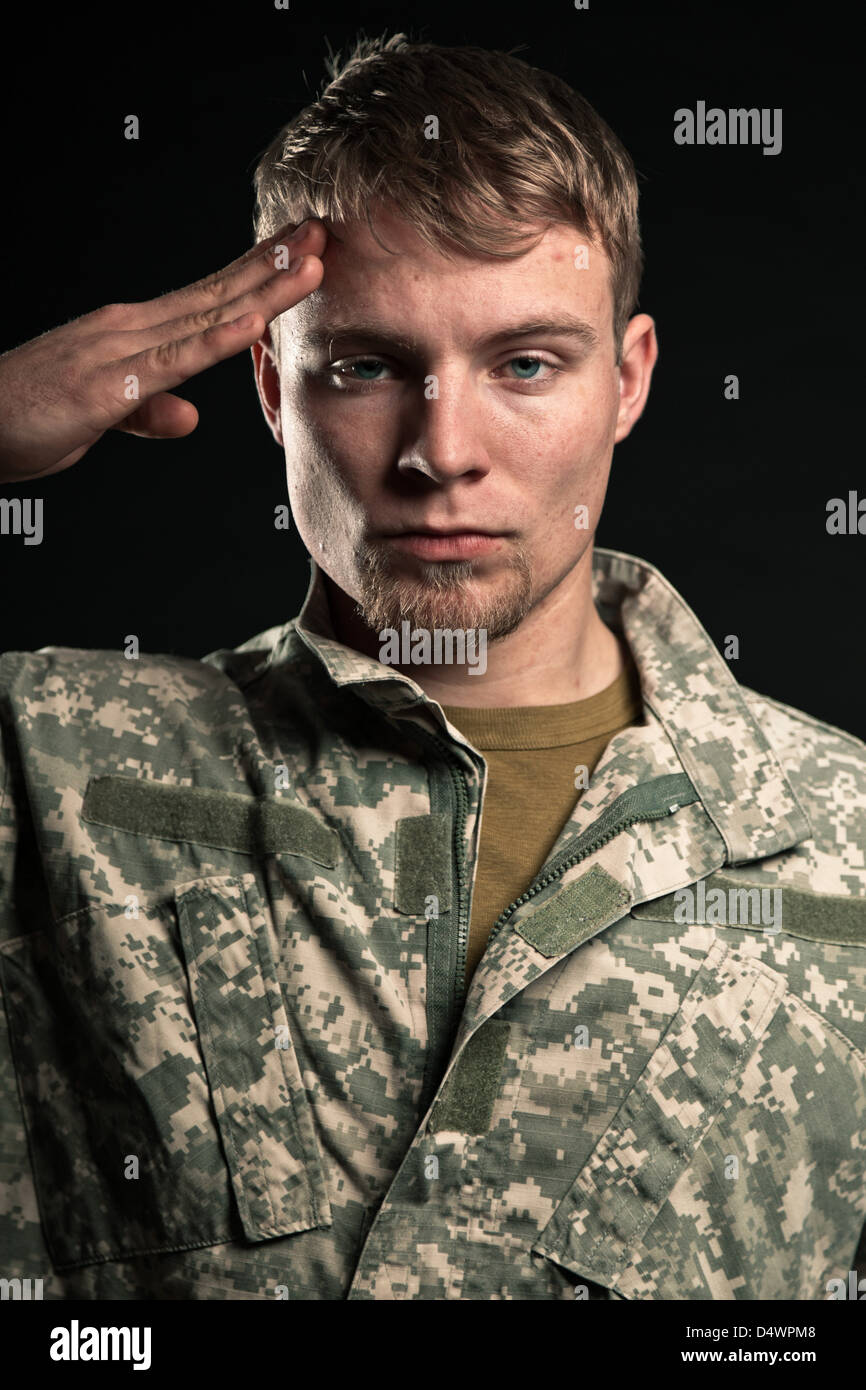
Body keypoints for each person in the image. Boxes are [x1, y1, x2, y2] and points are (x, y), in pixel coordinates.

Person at [1, 32, 864, 1303]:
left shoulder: (840, 844)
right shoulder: (51, 766)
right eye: (365, 367)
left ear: (624, 382)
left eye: (524, 363)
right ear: (268, 383)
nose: (439, 449)